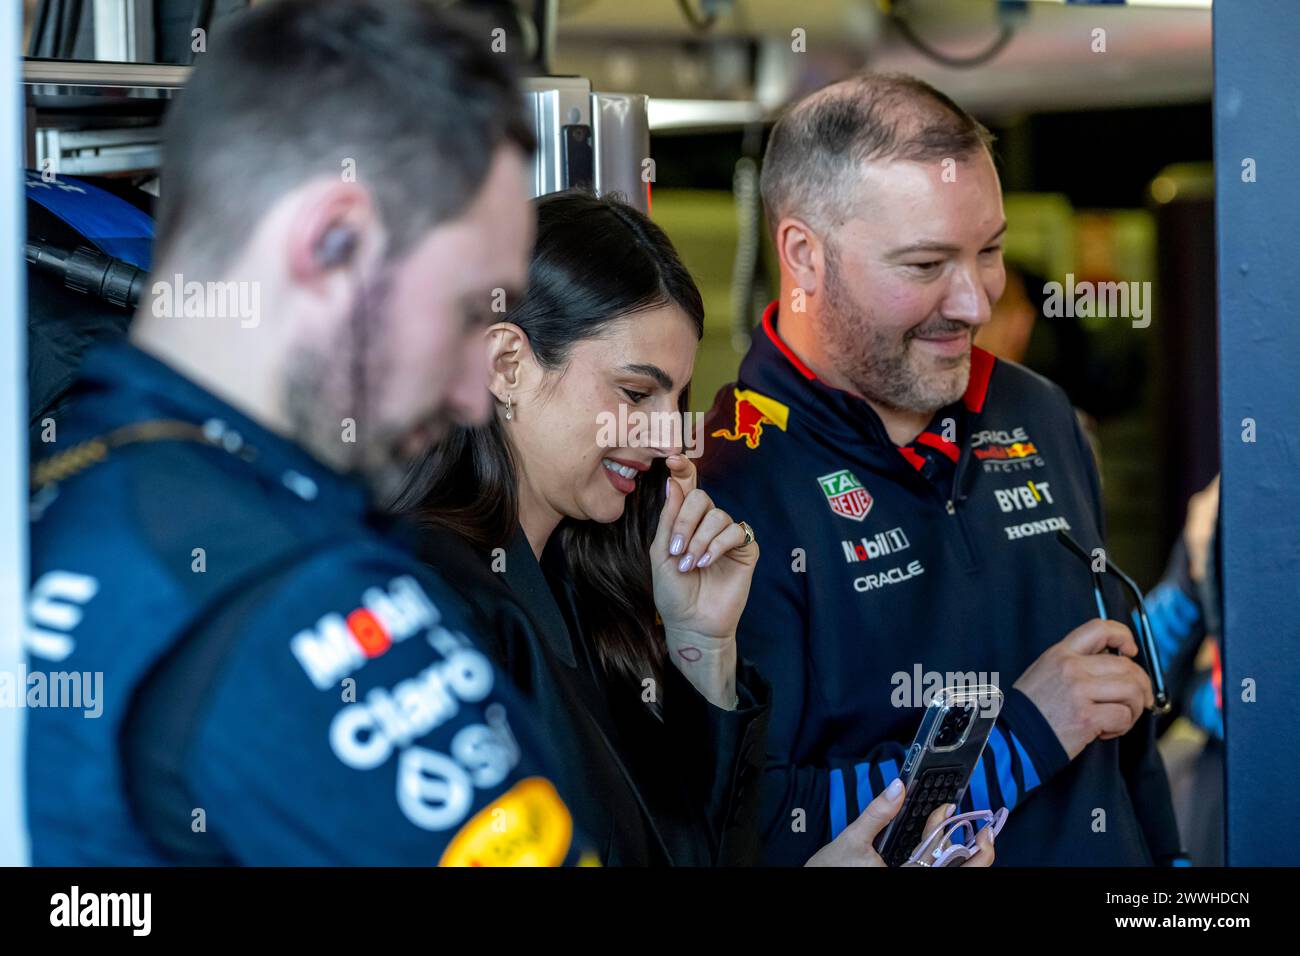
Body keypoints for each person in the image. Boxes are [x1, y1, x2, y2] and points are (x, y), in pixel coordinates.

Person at [25, 0, 587, 866]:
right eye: (470, 309)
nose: (479, 394)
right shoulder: (301, 606)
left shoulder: (58, 479)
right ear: (330, 240)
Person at [395, 190, 995, 868]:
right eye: (633, 393)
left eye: (675, 399)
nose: (663, 437)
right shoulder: (432, 603)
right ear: (507, 364)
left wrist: (702, 645)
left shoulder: (581, 590)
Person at [697, 72, 1183, 866]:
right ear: (803, 256)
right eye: (926, 265)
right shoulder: (731, 477)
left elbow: (1122, 732)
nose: (975, 302)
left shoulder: (1038, 411)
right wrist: (1023, 737)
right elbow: (759, 818)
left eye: (987, 251)